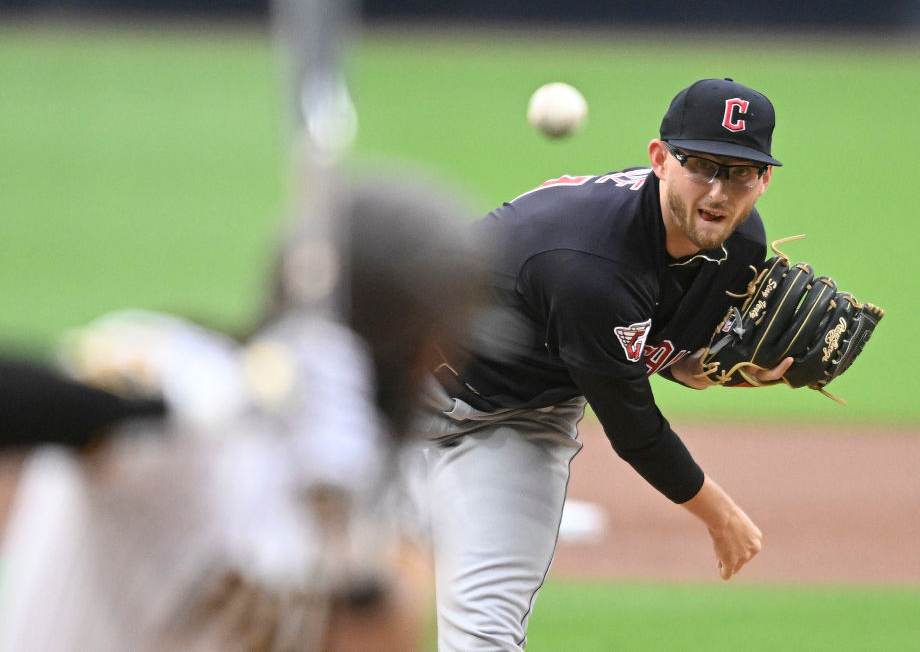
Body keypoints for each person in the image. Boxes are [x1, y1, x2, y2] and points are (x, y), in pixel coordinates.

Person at [0, 175, 486, 651]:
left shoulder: (380, 470)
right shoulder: (179, 369)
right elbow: (23, 402)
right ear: (401, 349)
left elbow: (378, 632)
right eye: (441, 340)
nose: (452, 364)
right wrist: (199, 409)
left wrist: (348, 538)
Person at [414, 77, 793, 650]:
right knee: (291, 586)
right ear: (660, 160)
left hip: (518, 420)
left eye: (740, 171)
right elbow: (634, 428)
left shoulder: (738, 250)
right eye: (702, 165)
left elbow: (657, 344)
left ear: (764, 180)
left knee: (484, 634)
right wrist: (720, 515)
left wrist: (715, 366)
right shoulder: (589, 265)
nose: (718, 191)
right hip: (394, 390)